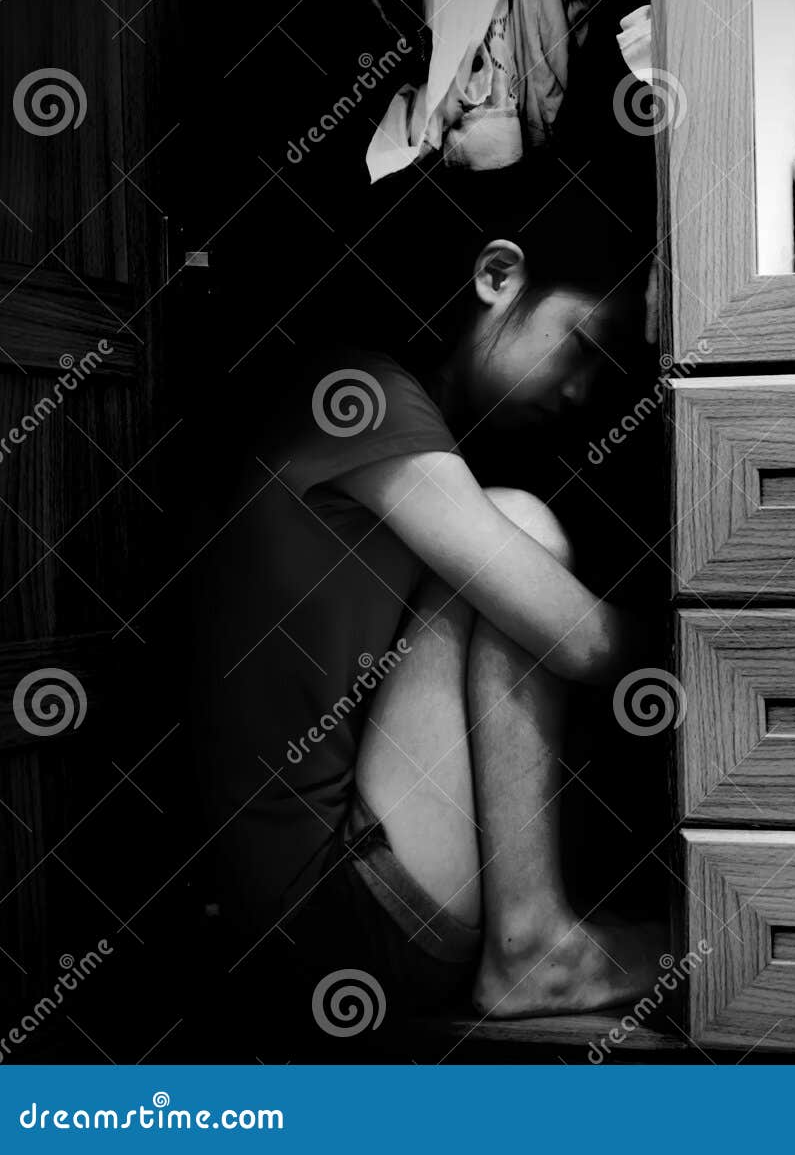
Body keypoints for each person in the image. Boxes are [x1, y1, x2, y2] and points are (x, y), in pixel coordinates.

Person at [191, 163, 665, 1022]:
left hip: (328, 899)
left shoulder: (397, 417)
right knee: (518, 528)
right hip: (333, 915)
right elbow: (585, 643)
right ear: (497, 276)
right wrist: (738, 650)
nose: (584, 393)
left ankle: (542, 932)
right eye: (586, 348)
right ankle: (534, 946)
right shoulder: (358, 397)